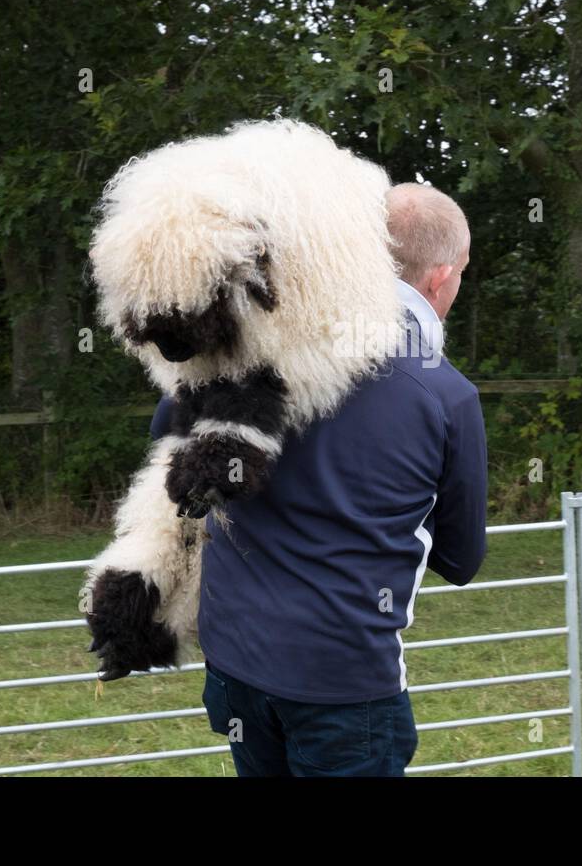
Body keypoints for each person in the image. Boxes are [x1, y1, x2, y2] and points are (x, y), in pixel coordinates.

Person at [149, 182, 487, 777]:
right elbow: (460, 559)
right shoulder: (444, 394)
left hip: (236, 663)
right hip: (343, 685)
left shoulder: (260, 347)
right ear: (442, 277)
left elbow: (170, 440)